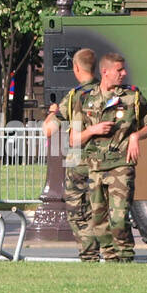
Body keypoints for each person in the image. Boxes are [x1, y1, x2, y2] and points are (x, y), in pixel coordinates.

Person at [77, 52, 147, 263]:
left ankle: (125, 257)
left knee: (119, 219)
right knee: (98, 220)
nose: (124, 73)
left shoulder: (132, 97)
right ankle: (111, 261)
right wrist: (93, 130)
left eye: (124, 69)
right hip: (95, 167)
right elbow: (74, 139)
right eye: (119, 70)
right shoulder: (85, 98)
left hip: (120, 165)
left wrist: (135, 136)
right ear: (105, 72)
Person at [42, 48, 99, 260]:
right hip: (105, 161)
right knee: (102, 209)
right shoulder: (110, 92)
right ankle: (113, 254)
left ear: (76, 68)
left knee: (79, 213)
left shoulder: (75, 96)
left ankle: (89, 255)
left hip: (79, 162)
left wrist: (52, 111)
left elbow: (48, 129)